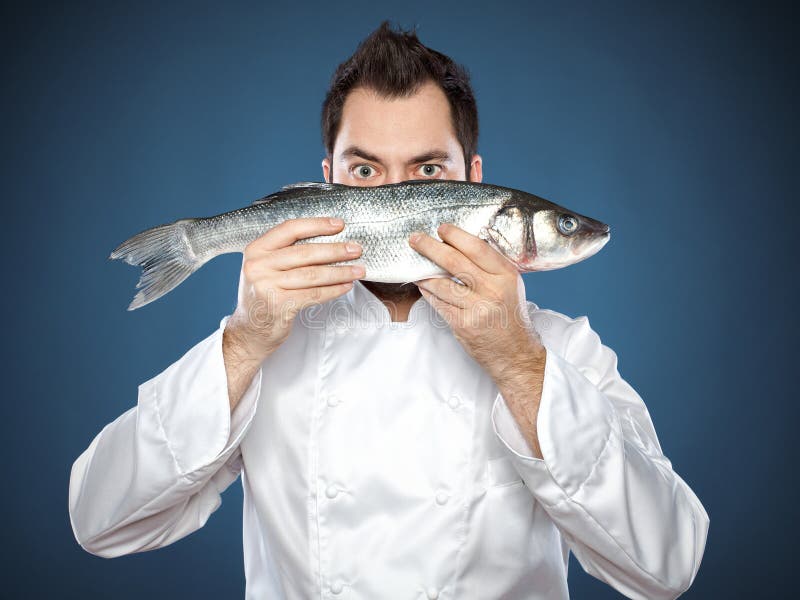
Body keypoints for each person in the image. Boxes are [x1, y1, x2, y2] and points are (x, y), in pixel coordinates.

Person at [69, 21, 709, 600]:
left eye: (428, 169)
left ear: (475, 179)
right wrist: (242, 343)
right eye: (366, 171)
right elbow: (100, 521)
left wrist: (517, 364)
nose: (400, 192)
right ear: (326, 184)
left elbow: (667, 565)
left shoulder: (562, 352)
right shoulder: (264, 346)